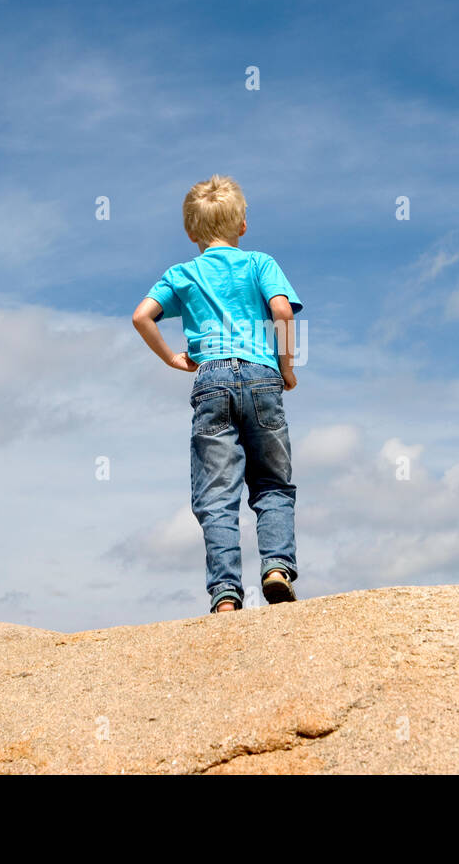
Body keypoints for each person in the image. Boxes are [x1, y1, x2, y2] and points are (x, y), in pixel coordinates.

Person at [132, 175, 303, 614]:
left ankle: (226, 594)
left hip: (210, 380)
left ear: (191, 232)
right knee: (272, 483)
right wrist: (285, 367)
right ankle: (277, 568)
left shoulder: (182, 274)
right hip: (263, 377)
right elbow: (281, 310)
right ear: (242, 225)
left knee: (216, 494)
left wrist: (172, 358)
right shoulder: (260, 264)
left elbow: (141, 316)